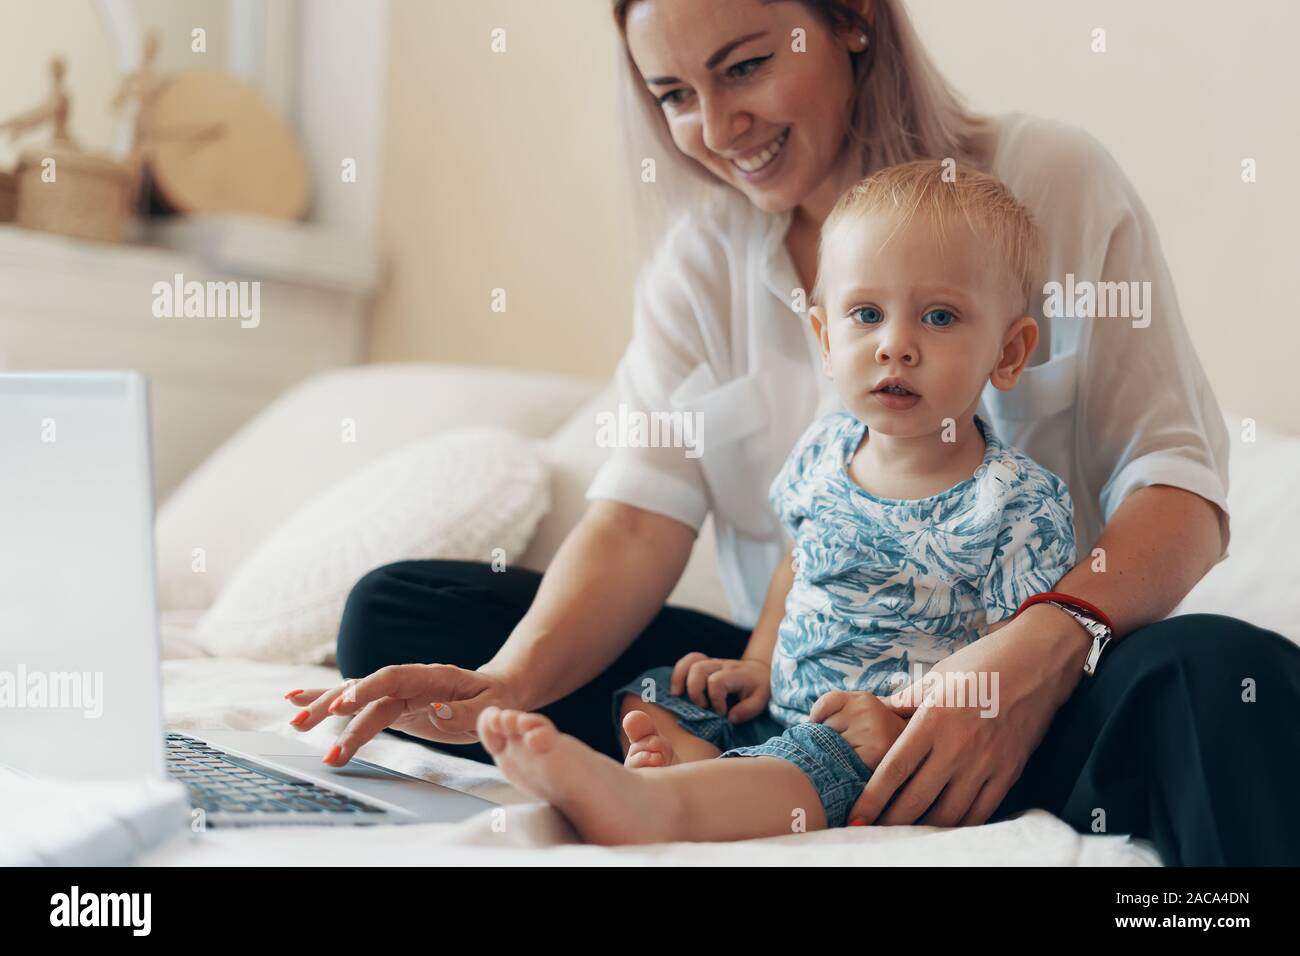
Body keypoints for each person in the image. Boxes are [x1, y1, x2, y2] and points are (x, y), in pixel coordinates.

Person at [285, 0, 1300, 864]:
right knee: (402, 614)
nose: (716, 127)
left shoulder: (1049, 179)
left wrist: (1032, 656)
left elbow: (1178, 488)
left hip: (1044, 670)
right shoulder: (700, 259)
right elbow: (638, 521)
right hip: (805, 681)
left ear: (851, 18)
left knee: (1222, 676)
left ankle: (864, 771)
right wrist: (507, 681)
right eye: (674, 96)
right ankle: (729, 763)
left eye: (746, 67)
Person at [473, 160, 1088, 843]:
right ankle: (697, 763)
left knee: (821, 758)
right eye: (866, 315)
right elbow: (797, 565)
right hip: (781, 710)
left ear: (1008, 352)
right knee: (658, 691)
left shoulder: (1015, 502)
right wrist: (757, 666)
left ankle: (662, 807)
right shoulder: (826, 450)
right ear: (827, 339)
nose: (895, 345)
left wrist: (907, 722)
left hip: (880, 745)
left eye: (939, 316)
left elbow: (1013, 673)